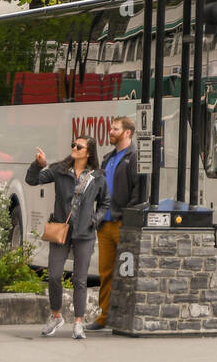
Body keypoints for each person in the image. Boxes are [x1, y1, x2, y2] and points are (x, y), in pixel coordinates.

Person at [26, 135, 110, 339]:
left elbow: (105, 203)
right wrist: (38, 165)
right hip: (61, 230)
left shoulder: (97, 176)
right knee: (54, 275)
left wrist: (94, 219)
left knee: (80, 279)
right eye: (73, 144)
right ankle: (56, 315)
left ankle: (79, 323)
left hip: (84, 233)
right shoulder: (59, 170)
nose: (74, 148)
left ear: (88, 153)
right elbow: (32, 180)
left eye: (78, 146)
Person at [89, 116, 141, 332]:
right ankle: (104, 315)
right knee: (105, 271)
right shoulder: (108, 158)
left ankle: (124, 316)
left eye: (115, 128)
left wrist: (127, 217)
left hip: (121, 222)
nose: (111, 131)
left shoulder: (133, 156)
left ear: (127, 132)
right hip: (105, 223)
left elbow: (138, 191)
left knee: (126, 273)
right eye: (111, 128)